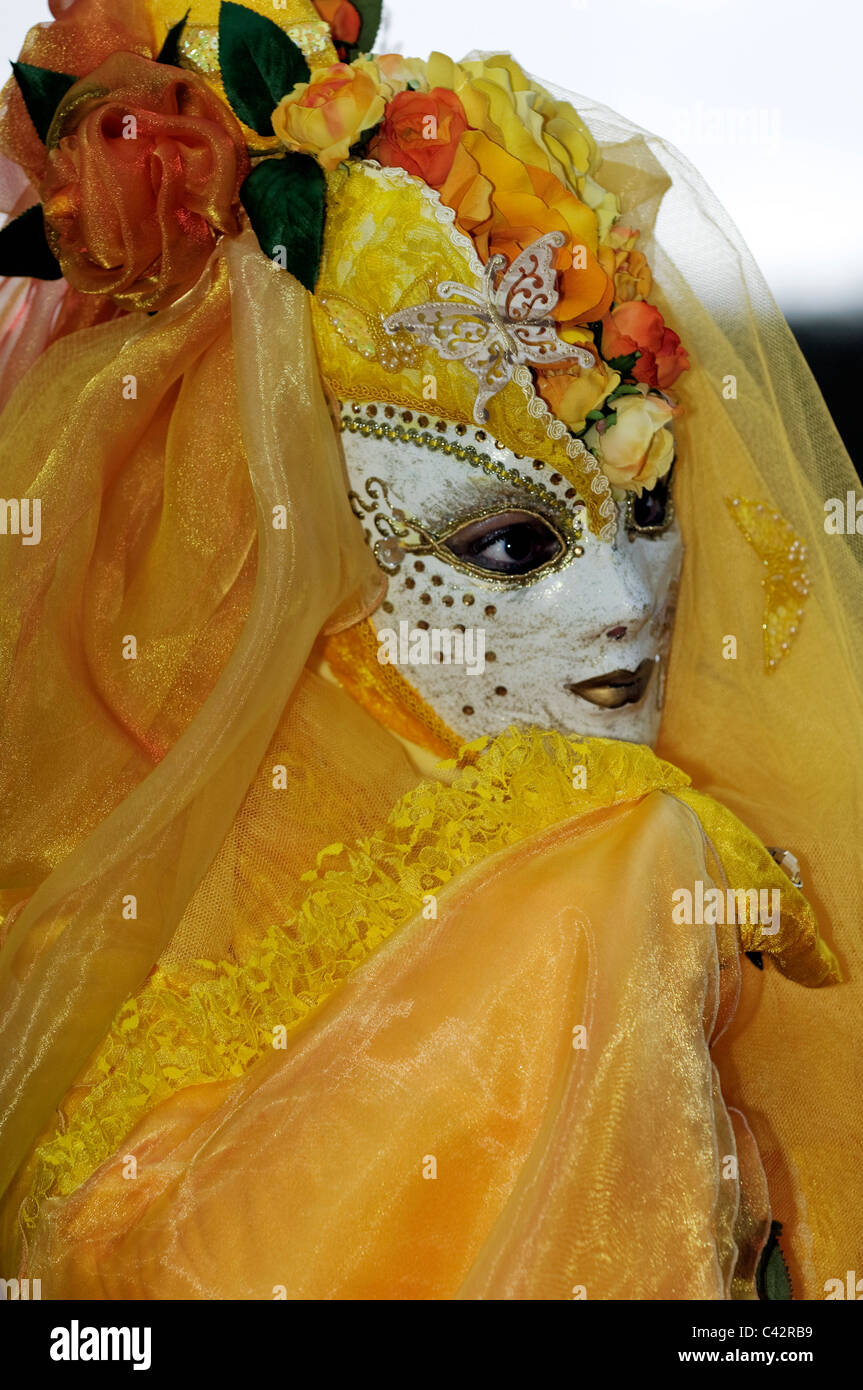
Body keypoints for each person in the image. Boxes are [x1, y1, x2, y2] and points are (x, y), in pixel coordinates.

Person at [0, 0, 860, 1300]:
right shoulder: (617, 876)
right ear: (278, 578)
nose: (624, 600)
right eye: (508, 544)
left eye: (646, 509)